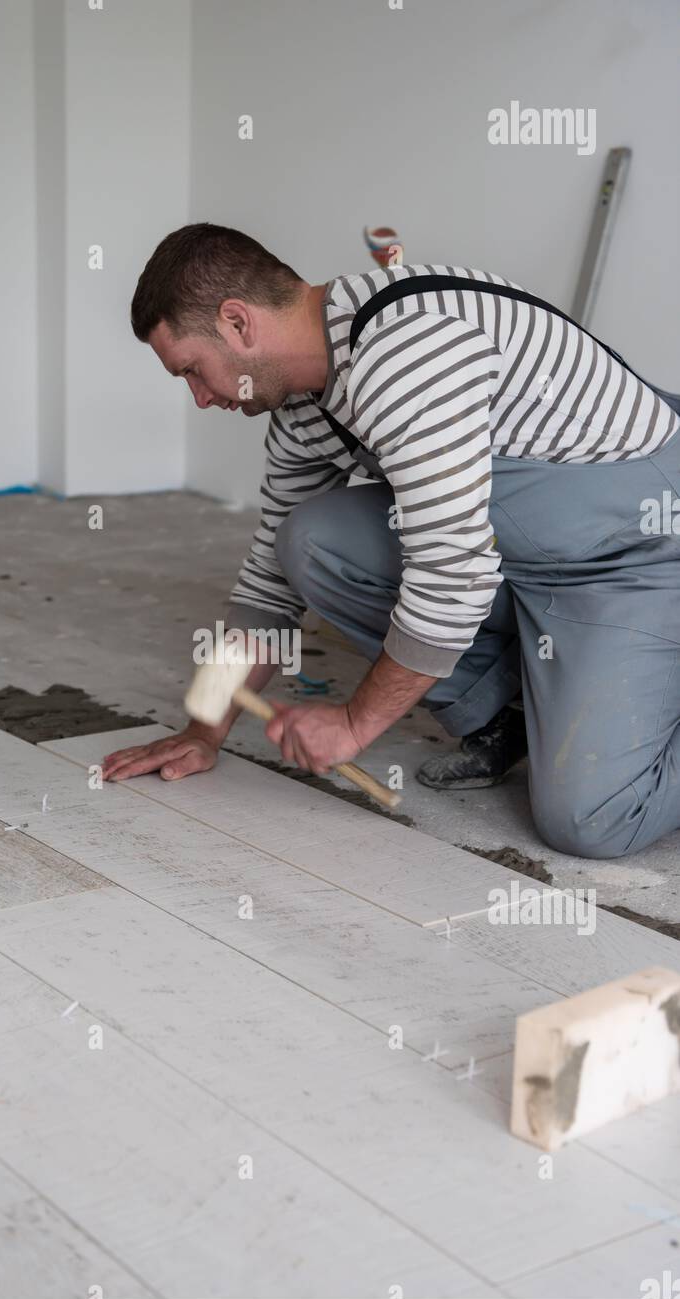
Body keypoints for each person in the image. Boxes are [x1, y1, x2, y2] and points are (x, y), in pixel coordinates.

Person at [103, 223, 680, 860]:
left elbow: (452, 575)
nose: (200, 397)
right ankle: (505, 710)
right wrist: (204, 728)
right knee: (309, 540)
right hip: (519, 552)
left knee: (593, 818)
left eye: (192, 370)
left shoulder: (405, 355)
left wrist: (355, 724)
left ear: (238, 323)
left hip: (633, 550)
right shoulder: (303, 404)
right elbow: (270, 581)